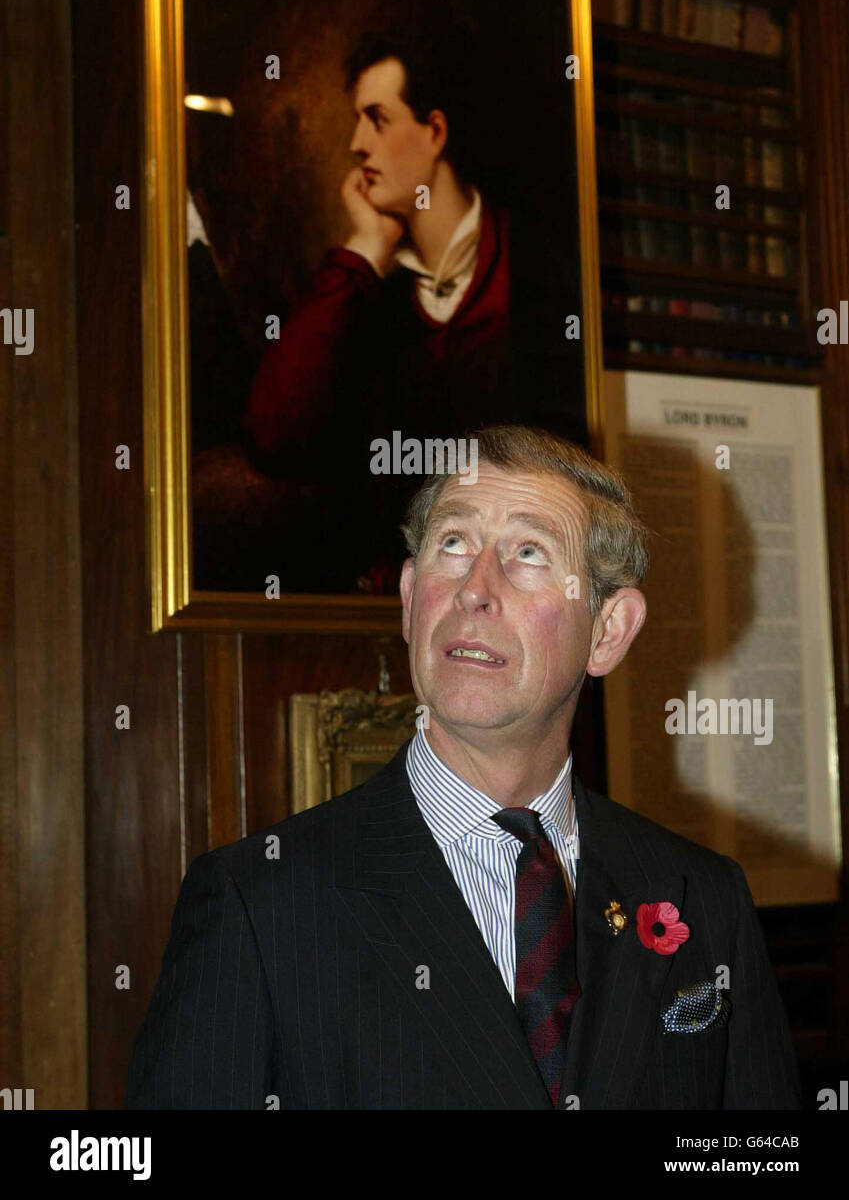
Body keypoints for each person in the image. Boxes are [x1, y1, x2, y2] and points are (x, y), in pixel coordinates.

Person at [125, 424, 801, 1109]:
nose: (475, 590)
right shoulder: (260, 904)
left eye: (529, 553)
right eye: (453, 544)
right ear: (411, 597)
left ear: (607, 630)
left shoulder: (700, 897)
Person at [243, 30, 515, 592]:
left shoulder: (524, 269)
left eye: (377, 118)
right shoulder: (368, 297)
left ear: (435, 131)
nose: (356, 142)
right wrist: (366, 249)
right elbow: (275, 435)